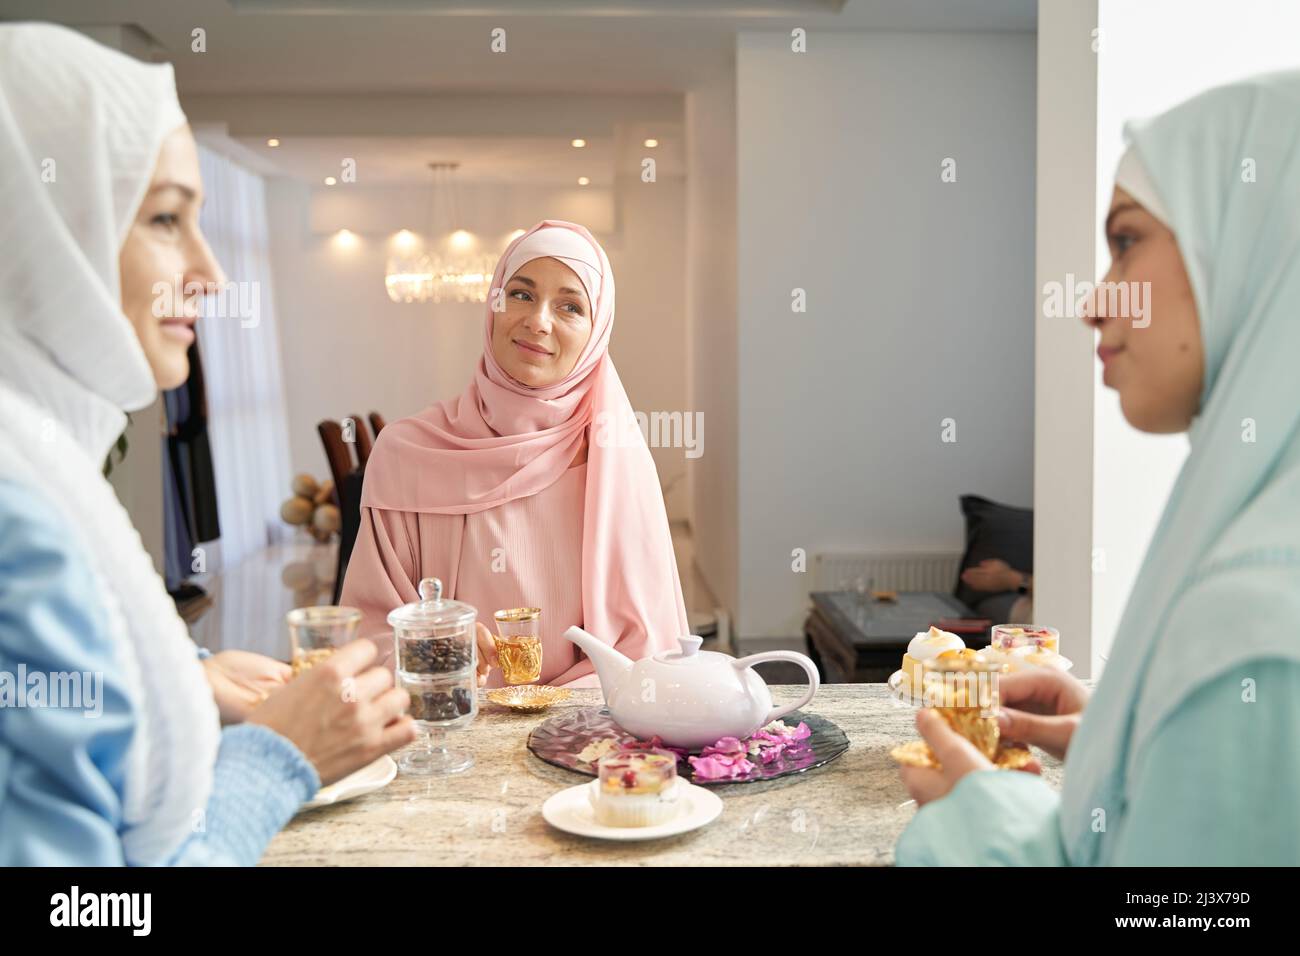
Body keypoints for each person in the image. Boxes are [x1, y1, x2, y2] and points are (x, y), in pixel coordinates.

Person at [0, 23, 414, 865]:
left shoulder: (41, 459)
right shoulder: (20, 530)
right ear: (42, 225)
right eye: (163, 219)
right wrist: (280, 758)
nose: (212, 274)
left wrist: (183, 675)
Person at [894, 71, 1300, 865]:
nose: (1093, 301)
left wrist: (984, 814)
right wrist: (1131, 749)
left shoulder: (1256, 624)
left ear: (1256, 238)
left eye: (1125, 243)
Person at [341, 221, 688, 688]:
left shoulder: (615, 462)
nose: (538, 321)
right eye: (522, 294)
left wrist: (551, 729)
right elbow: (368, 635)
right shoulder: (407, 454)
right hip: (452, 733)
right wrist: (440, 649)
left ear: (596, 331)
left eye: (570, 306)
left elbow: (646, 653)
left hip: (583, 740)